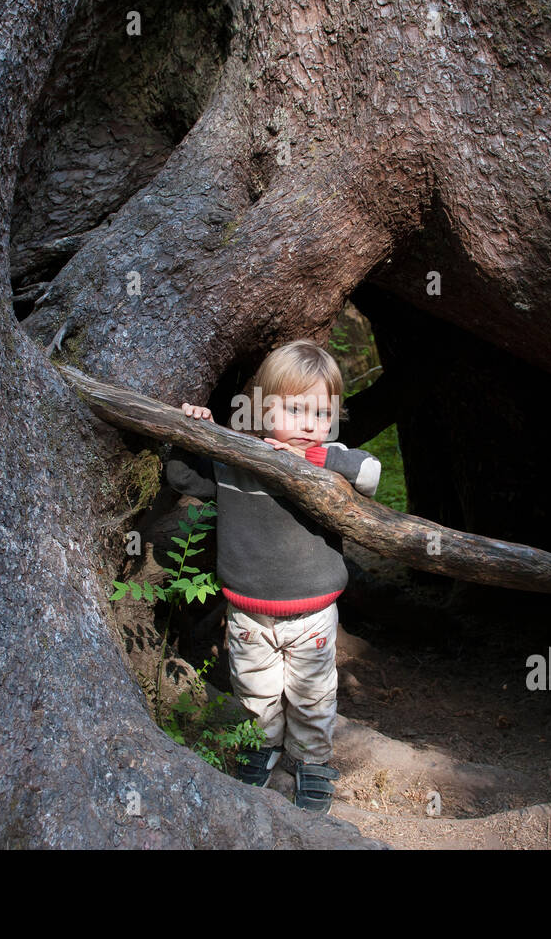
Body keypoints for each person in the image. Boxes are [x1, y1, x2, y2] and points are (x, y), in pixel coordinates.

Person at [165, 339, 381, 813]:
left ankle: (313, 761)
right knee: (255, 688)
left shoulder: (329, 463)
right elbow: (183, 479)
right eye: (296, 409)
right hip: (247, 611)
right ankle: (262, 748)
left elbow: (372, 471)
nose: (309, 424)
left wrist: (320, 462)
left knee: (312, 695)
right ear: (263, 409)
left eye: (322, 413)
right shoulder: (236, 460)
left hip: (313, 612)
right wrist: (191, 433)